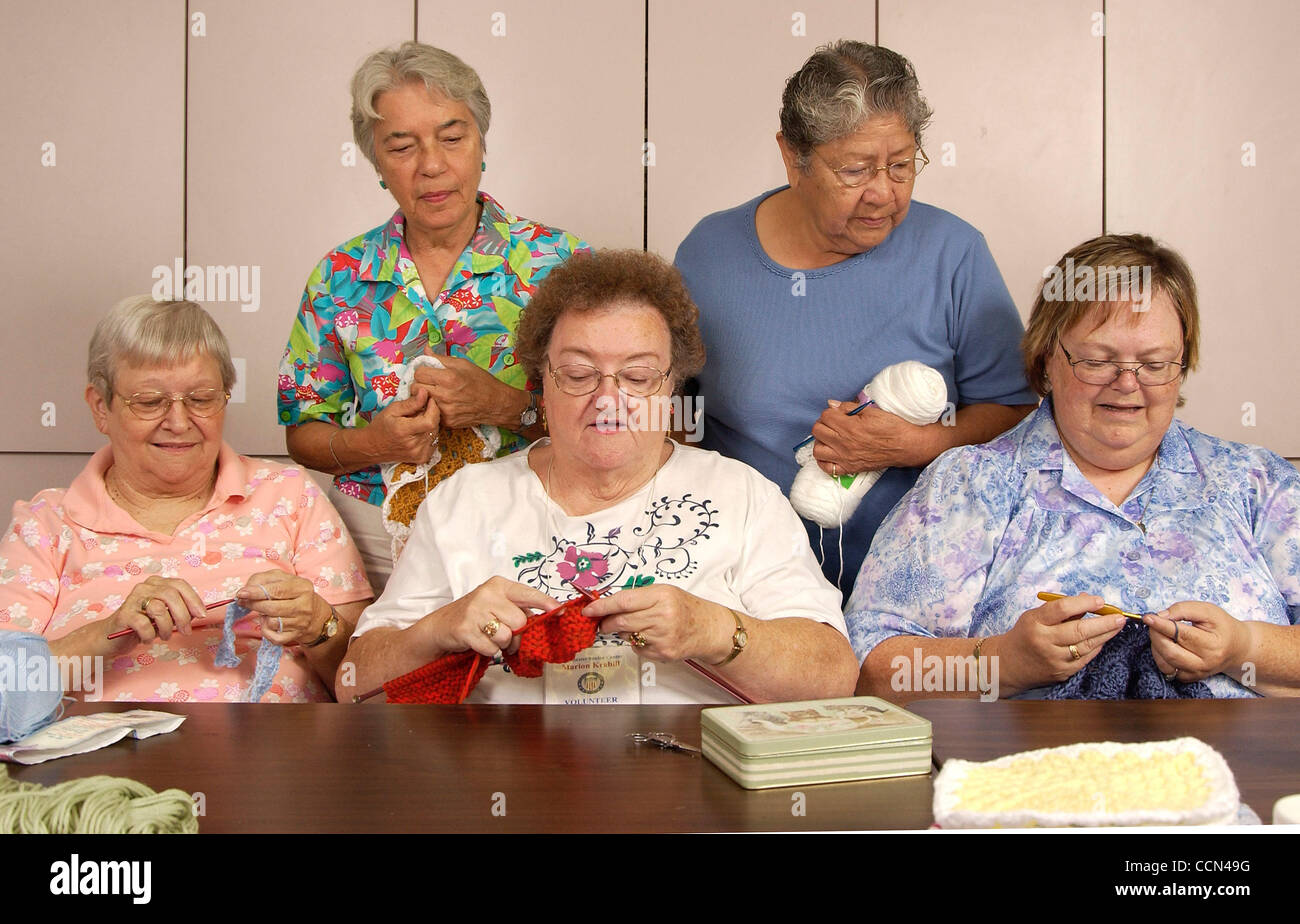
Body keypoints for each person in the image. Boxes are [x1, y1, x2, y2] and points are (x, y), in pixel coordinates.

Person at [343, 251, 858, 704]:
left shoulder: (741, 495)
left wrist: (714, 629)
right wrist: (438, 631)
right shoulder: (466, 500)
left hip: (686, 784)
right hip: (501, 787)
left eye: (636, 377)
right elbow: (352, 682)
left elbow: (834, 674)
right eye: (579, 374)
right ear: (541, 382)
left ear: (672, 387)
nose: (608, 401)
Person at [845, 234, 1300, 700]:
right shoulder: (969, 485)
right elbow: (872, 666)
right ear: (1047, 357)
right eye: (1097, 360)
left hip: (1241, 770)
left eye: (1154, 362)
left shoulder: (1254, 483)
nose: (1127, 383)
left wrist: (1245, 647)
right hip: (1032, 768)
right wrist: (1002, 664)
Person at [674, 40, 1037, 597]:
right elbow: (677, 412)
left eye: (901, 165)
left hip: (921, 584)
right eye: (855, 170)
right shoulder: (710, 252)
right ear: (793, 158)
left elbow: (1016, 411)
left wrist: (916, 446)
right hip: (748, 580)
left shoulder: (954, 252)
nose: (883, 194)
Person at [278, 41, 588, 593]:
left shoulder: (560, 265)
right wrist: (374, 444)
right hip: (373, 536)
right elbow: (303, 435)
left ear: (481, 144)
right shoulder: (339, 275)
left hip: (527, 525)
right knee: (373, 676)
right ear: (376, 164)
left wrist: (506, 406)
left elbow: (612, 419)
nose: (432, 165)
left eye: (452, 137)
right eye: (402, 147)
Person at [0, 298, 373, 703]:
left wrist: (321, 625)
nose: (178, 423)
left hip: (268, 754)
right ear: (100, 407)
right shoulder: (48, 522)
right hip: (94, 758)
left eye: (201, 399)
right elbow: (6, 687)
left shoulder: (288, 494)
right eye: (148, 401)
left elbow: (366, 682)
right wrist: (106, 633)